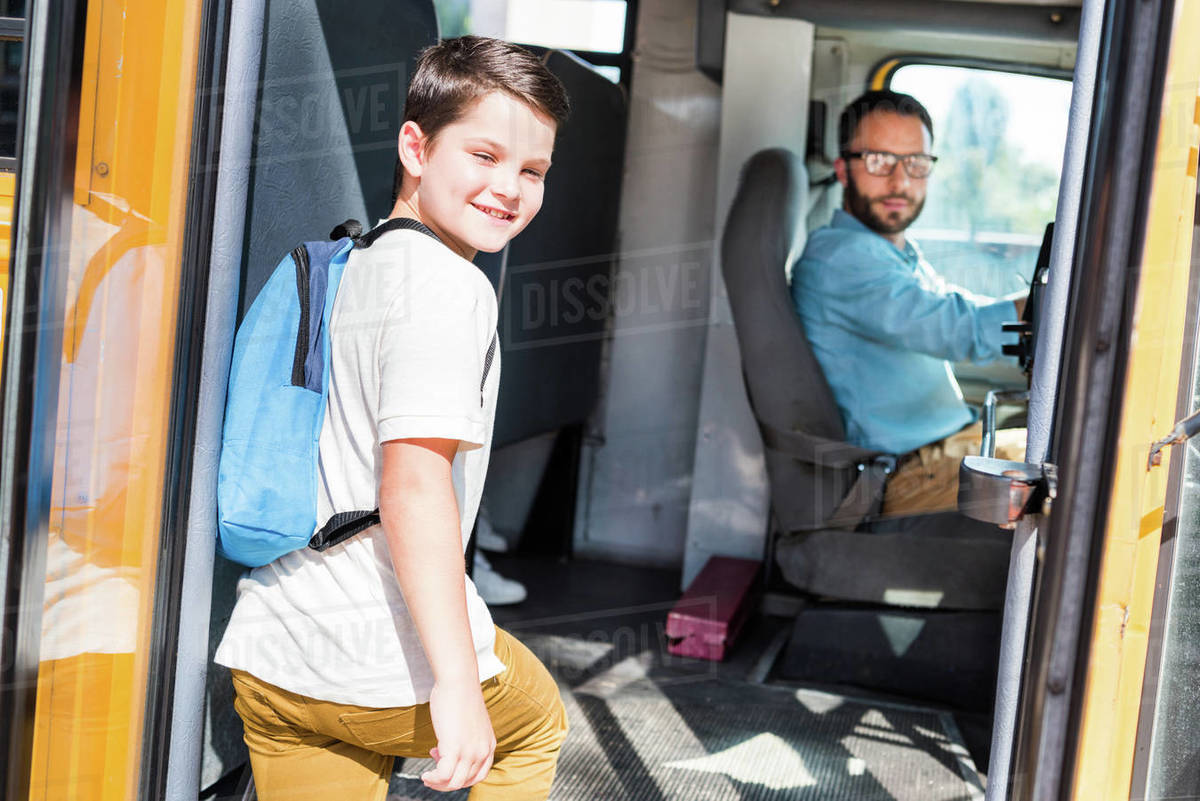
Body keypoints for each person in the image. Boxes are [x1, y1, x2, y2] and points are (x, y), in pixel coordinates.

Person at [214, 37, 570, 800]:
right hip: (376, 661)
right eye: (484, 155)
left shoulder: (352, 259)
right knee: (532, 725)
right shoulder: (450, 287)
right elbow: (412, 484)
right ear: (416, 145)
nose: (509, 187)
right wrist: (456, 684)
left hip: (273, 652)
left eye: (532, 170)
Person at [791, 90, 1025, 516]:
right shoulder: (843, 258)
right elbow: (959, 329)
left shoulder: (888, 251)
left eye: (915, 164)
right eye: (880, 161)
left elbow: (949, 306)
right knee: (1082, 474)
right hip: (909, 474)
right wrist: (1040, 313)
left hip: (949, 446)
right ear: (843, 169)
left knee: (1077, 446)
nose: (900, 182)